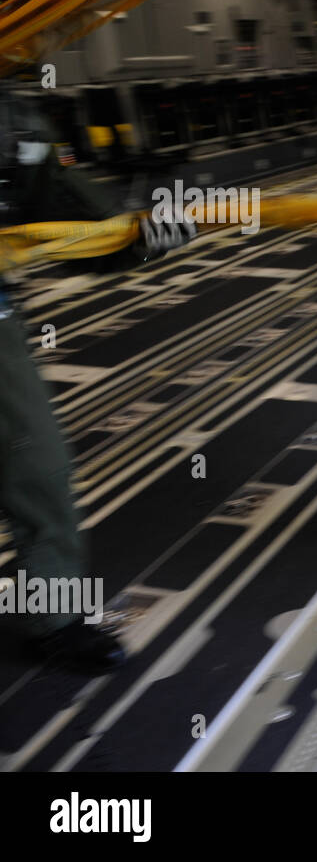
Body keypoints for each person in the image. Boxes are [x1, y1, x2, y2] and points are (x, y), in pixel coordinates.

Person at [0, 85, 193, 673]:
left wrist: (136, 236)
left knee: (37, 469)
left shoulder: (13, 123)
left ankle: (52, 621)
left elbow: (71, 220)